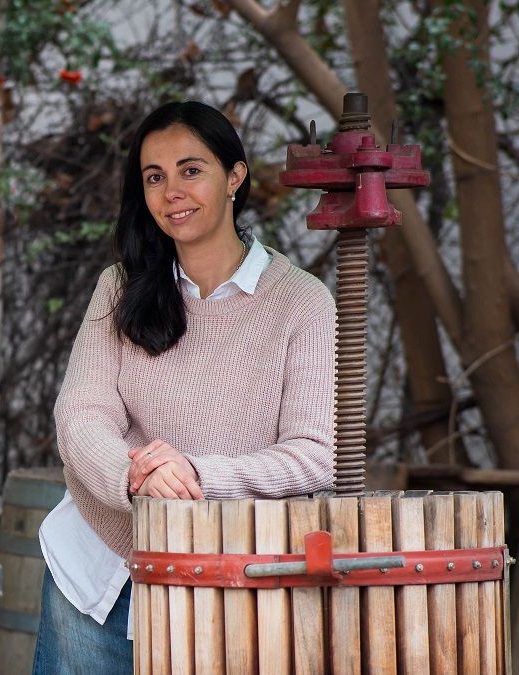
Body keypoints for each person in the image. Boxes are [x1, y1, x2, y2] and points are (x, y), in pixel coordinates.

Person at [31, 101, 336, 672]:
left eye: (191, 170)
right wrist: (134, 474)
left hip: (232, 582)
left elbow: (317, 456)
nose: (172, 190)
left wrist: (196, 476)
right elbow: (80, 414)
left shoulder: (302, 302)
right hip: (101, 572)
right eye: (154, 176)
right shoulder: (120, 287)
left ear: (235, 176)